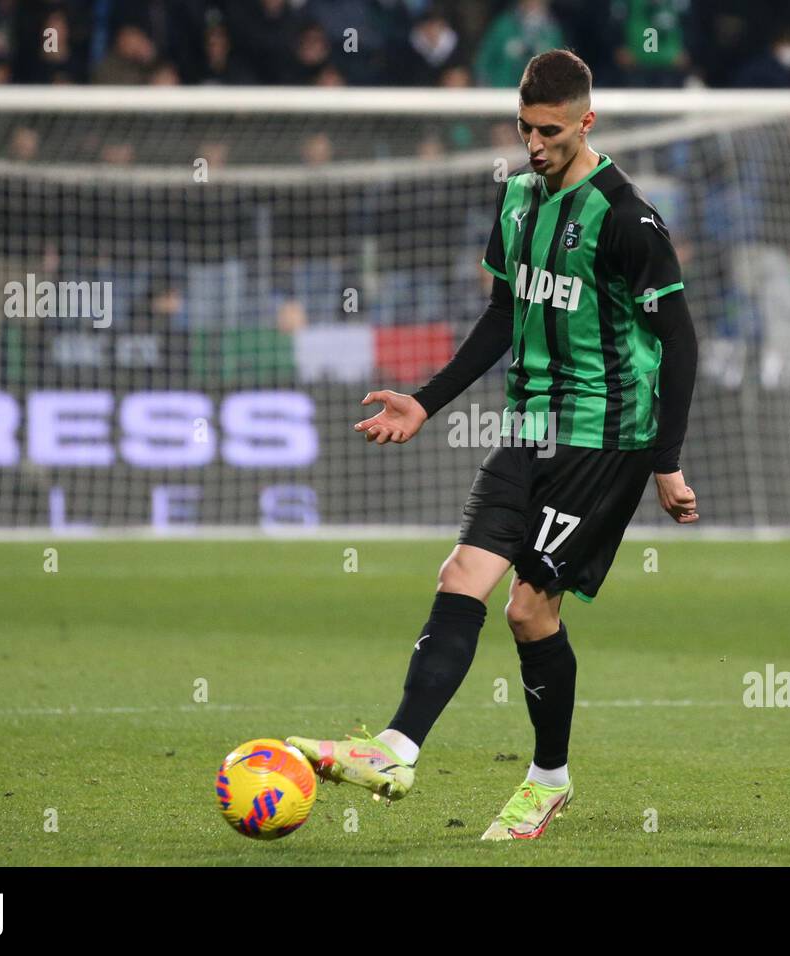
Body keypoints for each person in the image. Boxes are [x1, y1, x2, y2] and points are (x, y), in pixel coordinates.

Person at [287, 49, 699, 841]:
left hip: (604, 440)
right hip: (528, 428)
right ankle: (396, 748)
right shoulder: (514, 199)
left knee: (527, 610)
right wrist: (427, 400)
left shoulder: (627, 218)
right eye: (524, 127)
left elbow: (678, 342)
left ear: (587, 121)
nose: (535, 143)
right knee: (459, 573)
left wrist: (666, 461)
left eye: (549, 130)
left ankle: (547, 780)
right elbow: (505, 315)